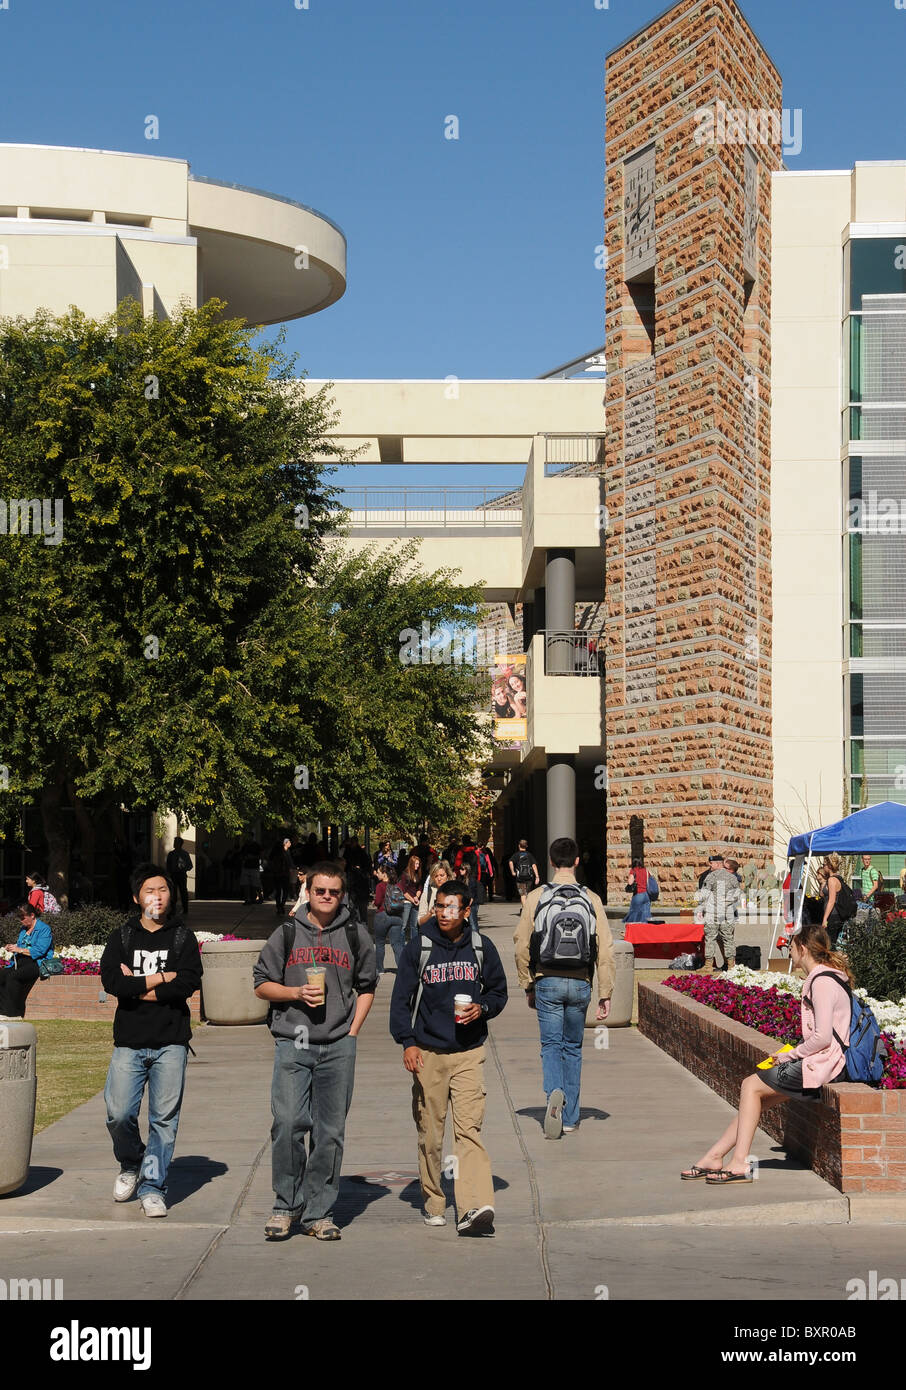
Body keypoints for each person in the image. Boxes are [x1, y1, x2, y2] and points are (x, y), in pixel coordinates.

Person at [253, 862, 376, 1241]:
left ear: (342, 895)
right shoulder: (287, 932)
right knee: (288, 1123)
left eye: (333, 892)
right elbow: (260, 984)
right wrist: (293, 993)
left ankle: (319, 1212)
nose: (326, 897)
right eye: (319, 890)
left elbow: (368, 984)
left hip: (338, 1043)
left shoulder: (356, 934)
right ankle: (285, 1206)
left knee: (329, 1132)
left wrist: (352, 1031)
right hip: (294, 1040)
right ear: (307, 891)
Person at [680, 920, 850, 1183]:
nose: (789, 952)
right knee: (755, 1102)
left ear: (803, 948)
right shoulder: (823, 978)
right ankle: (715, 1156)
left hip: (825, 1064)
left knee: (750, 1086)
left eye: (791, 947)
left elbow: (823, 1037)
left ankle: (739, 1163)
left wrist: (789, 1055)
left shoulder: (823, 982)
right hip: (823, 1061)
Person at [389, 881, 508, 1234]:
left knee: (469, 1129)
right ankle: (434, 1200)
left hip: (469, 1052)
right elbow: (400, 1001)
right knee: (430, 1132)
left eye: (451, 907)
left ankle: (473, 1207)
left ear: (467, 910)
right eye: (439, 906)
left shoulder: (481, 947)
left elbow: (499, 992)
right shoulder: (419, 948)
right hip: (429, 1053)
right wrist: (407, 1042)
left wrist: (482, 1007)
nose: (443, 913)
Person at [100, 864, 203, 1218]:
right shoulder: (123, 938)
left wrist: (138, 986)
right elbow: (114, 983)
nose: (156, 897)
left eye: (162, 890)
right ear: (136, 897)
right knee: (118, 1114)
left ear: (170, 894)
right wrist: (160, 977)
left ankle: (153, 1186)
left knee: (164, 1120)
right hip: (129, 1041)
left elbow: (186, 985)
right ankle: (131, 1162)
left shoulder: (182, 938)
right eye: (148, 891)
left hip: (171, 1042)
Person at [514, 837, 615, 1137]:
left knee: (550, 1046)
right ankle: (570, 1117)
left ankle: (553, 1098)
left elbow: (521, 945)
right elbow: (605, 948)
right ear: (577, 862)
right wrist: (605, 992)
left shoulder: (536, 896)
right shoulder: (591, 898)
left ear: (550, 861)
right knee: (572, 1048)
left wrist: (527, 984)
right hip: (580, 980)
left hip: (548, 979)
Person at [0, 902, 55, 1017]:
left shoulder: (44, 929)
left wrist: (19, 950)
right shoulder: (23, 929)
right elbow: (22, 945)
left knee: (13, 977)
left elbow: (40, 951)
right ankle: (2, 1010)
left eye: (23, 917)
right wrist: (12, 947)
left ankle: (13, 1013)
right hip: (21, 960)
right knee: (2, 975)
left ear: (32, 915)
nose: (21, 920)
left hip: (37, 962)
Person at [700, 853, 741, 971]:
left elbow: (704, 894)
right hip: (727, 912)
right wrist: (726, 902)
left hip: (712, 911)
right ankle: (731, 965)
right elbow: (737, 894)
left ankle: (708, 965)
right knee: (728, 938)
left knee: (710, 938)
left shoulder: (712, 876)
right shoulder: (733, 877)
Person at [373, 865, 406, 975]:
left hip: (382, 916)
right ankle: (402, 969)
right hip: (397, 917)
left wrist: (375, 902)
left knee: (380, 943)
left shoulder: (380, 886)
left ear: (384, 874)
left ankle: (380, 969)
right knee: (396, 944)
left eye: (378, 872)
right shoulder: (397, 885)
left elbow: (378, 902)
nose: (376, 874)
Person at [817, 854, 847, 949]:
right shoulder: (837, 878)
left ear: (829, 866)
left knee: (830, 944)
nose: (823, 867)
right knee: (832, 943)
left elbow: (831, 900)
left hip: (832, 916)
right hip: (836, 915)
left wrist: (825, 919)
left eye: (824, 864)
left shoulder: (832, 880)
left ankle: (832, 963)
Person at [398, 852, 425, 947]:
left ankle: (414, 944)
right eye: (416, 863)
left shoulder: (418, 874)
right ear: (412, 864)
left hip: (415, 901)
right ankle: (401, 944)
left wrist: (417, 897)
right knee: (404, 925)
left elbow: (419, 888)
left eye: (418, 864)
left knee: (414, 925)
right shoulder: (405, 875)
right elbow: (404, 891)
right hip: (407, 901)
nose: (418, 866)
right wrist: (412, 900)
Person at [417, 860, 453, 927]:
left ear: (447, 876)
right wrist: (430, 913)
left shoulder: (455, 893)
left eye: (442, 875)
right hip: (432, 933)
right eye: (436, 876)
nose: (439, 879)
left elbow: (463, 918)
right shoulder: (427, 894)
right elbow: (420, 922)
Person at [165, 837, 193, 916]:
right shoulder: (171, 854)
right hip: (173, 875)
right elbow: (168, 865)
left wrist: (183, 868)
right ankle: (173, 909)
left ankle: (185, 908)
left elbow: (190, 865)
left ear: (180, 844)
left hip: (181, 875)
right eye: (174, 842)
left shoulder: (185, 854)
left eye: (176, 842)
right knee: (173, 893)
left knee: (183, 891)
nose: (174, 844)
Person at [623, 857, 651, 924]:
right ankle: (645, 932)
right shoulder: (646, 871)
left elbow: (630, 882)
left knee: (635, 917)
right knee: (646, 917)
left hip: (638, 894)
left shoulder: (634, 870)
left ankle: (634, 932)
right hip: (646, 896)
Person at [274, 837, 297, 916]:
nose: (290, 843)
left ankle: (281, 905)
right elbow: (289, 862)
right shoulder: (282, 852)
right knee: (280, 890)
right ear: (285, 843)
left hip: (283, 873)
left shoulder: (288, 851)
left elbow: (290, 862)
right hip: (281, 873)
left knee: (284, 890)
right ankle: (280, 906)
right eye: (289, 842)